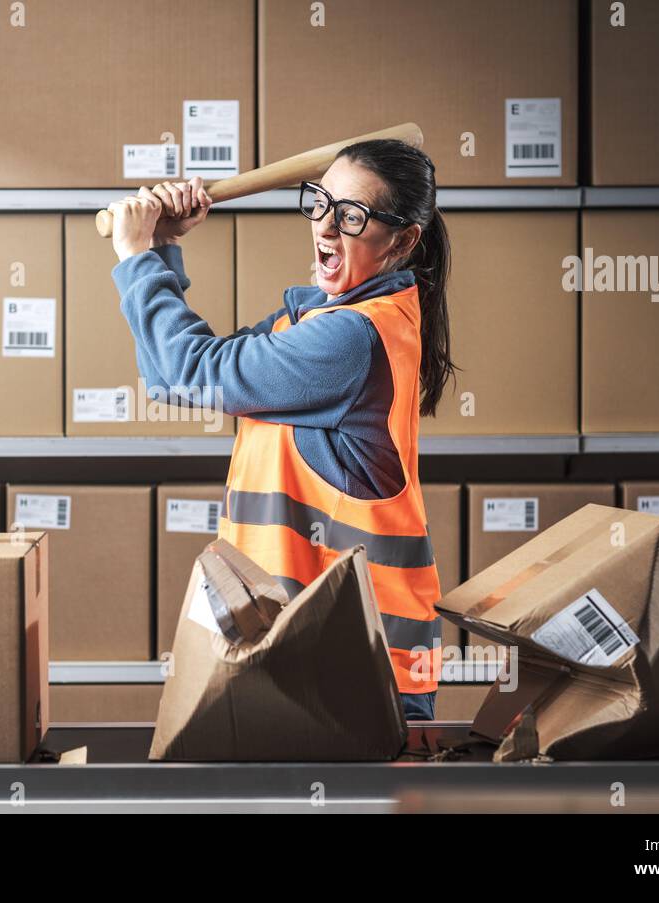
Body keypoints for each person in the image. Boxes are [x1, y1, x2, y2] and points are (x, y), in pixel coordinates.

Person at [106, 139, 455, 720]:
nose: (325, 227)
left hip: (358, 673)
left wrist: (136, 255)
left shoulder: (349, 339)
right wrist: (163, 246)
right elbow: (176, 375)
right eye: (319, 203)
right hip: (302, 655)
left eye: (352, 216)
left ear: (403, 240)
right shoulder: (318, 321)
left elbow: (190, 371)